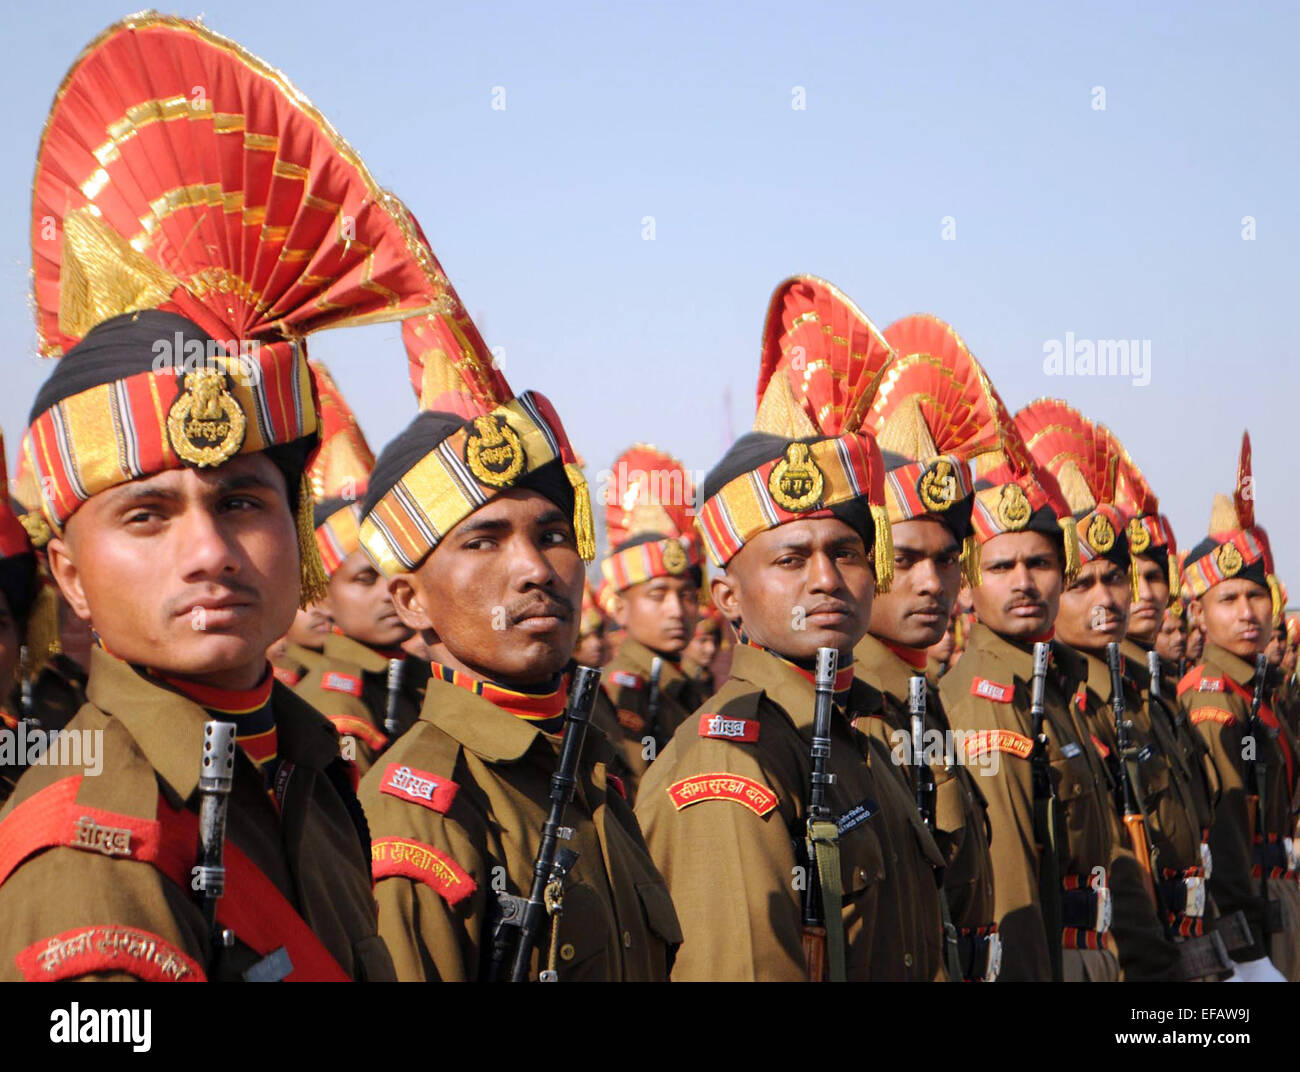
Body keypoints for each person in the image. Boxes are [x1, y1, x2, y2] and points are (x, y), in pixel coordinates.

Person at [0, 11, 486, 981]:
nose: (209, 550)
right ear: (71, 575)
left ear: (292, 527)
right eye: (147, 513)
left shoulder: (297, 766)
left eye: (242, 503)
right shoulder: (90, 848)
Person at [355, 309, 679, 981]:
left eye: (554, 534)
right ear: (411, 602)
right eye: (484, 540)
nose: (535, 568)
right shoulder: (420, 809)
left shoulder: (590, 761)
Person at [636, 275, 945, 981]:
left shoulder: (856, 732)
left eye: (845, 552)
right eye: (789, 558)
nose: (827, 580)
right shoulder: (730, 764)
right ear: (728, 596)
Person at [935, 333, 1123, 983]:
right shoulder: (983, 699)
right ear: (969, 580)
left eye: (1040, 563)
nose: (1023, 582)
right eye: (1002, 565)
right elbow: (1012, 899)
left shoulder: (1053, 687)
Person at [1018, 400, 1228, 980]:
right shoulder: (1062, 705)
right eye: (1081, 583)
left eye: (1116, 578)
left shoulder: (1138, 694)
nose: (1107, 600)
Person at [850, 312, 999, 981]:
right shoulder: (844, 707)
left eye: (945, 561)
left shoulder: (920, 700)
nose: (931, 583)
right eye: (904, 558)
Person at [1179, 433, 1298, 982]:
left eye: (1256, 595)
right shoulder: (1212, 697)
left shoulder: (1257, 690)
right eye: (1227, 599)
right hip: (1253, 913)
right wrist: (1245, 955)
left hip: (1280, 896)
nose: (1247, 611)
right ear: (1199, 616)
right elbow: (1227, 842)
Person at [292, 362, 426, 775]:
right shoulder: (335, 709)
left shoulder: (410, 679)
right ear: (321, 594)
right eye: (365, 579)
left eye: (396, 570)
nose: (391, 591)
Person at [598, 445, 707, 791]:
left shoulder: (683, 681)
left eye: (686, 595)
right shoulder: (618, 690)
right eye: (657, 596)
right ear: (620, 607)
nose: (676, 610)